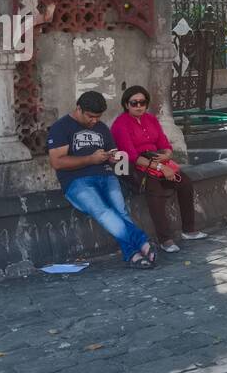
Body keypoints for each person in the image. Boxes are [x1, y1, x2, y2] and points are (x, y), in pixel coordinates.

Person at [48, 91, 157, 268]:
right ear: (79, 109)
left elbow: (112, 151)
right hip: (77, 181)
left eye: (97, 117)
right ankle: (142, 242)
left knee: (120, 212)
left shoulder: (101, 127)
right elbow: (57, 162)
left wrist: (113, 157)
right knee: (103, 212)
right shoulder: (61, 127)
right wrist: (90, 159)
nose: (94, 121)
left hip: (106, 174)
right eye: (90, 117)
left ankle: (133, 255)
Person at [111, 85, 207, 253]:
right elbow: (132, 156)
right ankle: (165, 239)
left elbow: (164, 143)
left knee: (184, 183)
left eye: (143, 102)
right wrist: (161, 167)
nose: (139, 106)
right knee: (155, 189)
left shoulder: (151, 119)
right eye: (134, 103)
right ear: (126, 104)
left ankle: (189, 230)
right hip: (133, 165)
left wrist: (167, 155)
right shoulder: (121, 124)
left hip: (156, 158)